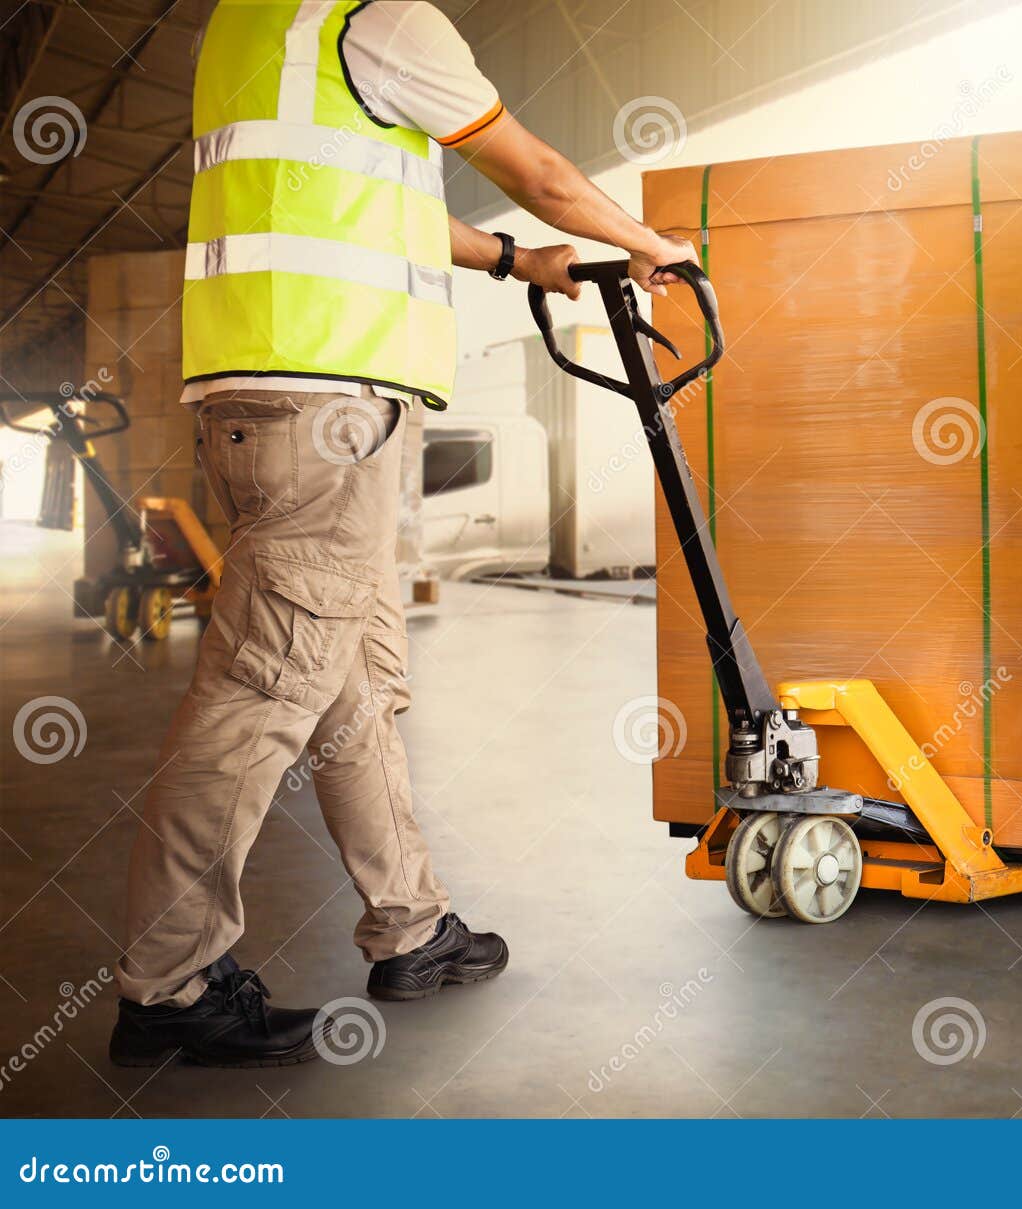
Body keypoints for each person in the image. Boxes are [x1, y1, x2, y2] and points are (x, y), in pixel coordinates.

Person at [110, 0, 696, 1068]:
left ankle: (412, 928)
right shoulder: (380, 20)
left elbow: (365, 216)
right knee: (259, 695)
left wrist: (520, 264)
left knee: (354, 682)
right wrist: (651, 246)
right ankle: (170, 982)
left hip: (275, 400)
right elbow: (544, 171)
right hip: (325, 410)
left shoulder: (255, 33)